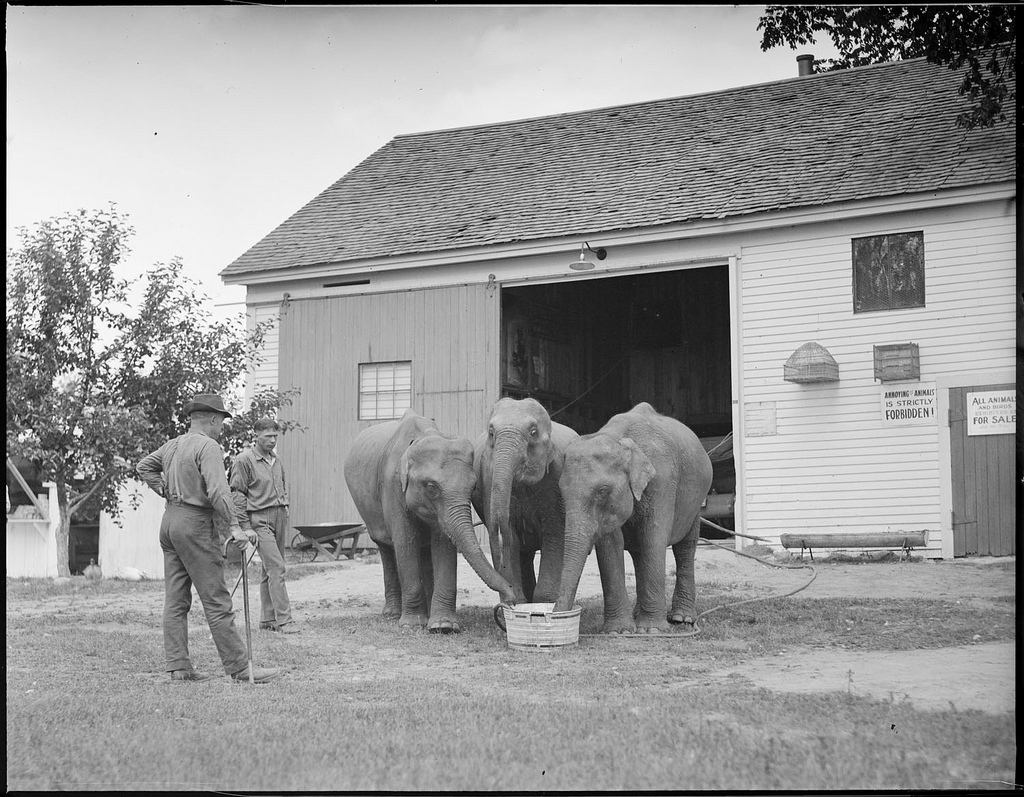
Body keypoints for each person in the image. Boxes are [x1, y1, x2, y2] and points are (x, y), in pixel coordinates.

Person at [136, 393, 281, 684]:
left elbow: (143, 466)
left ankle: (179, 667)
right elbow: (218, 492)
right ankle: (241, 668)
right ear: (214, 420)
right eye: (222, 422)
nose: (221, 428)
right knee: (216, 599)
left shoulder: (173, 445)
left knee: (175, 599)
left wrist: (163, 488)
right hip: (194, 525)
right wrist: (236, 528)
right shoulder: (208, 446)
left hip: (170, 522)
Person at [229, 417, 299, 634]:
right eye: (268, 436)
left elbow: (282, 487)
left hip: (279, 515)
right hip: (259, 520)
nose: (272, 440)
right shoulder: (244, 460)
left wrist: (284, 508)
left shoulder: (276, 460)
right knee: (277, 567)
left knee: (269, 569)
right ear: (255, 436)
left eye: (275, 436)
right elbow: (237, 494)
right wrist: (245, 526)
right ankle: (284, 621)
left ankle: (267, 619)